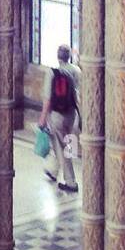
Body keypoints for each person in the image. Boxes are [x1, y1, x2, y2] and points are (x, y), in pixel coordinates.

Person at [38, 44, 80, 193]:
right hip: (73, 114)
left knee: (62, 147)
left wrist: (42, 118)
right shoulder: (77, 71)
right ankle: (53, 171)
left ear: (58, 56)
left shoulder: (52, 73)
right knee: (68, 147)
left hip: (57, 115)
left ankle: (71, 182)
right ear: (68, 56)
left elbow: (47, 98)